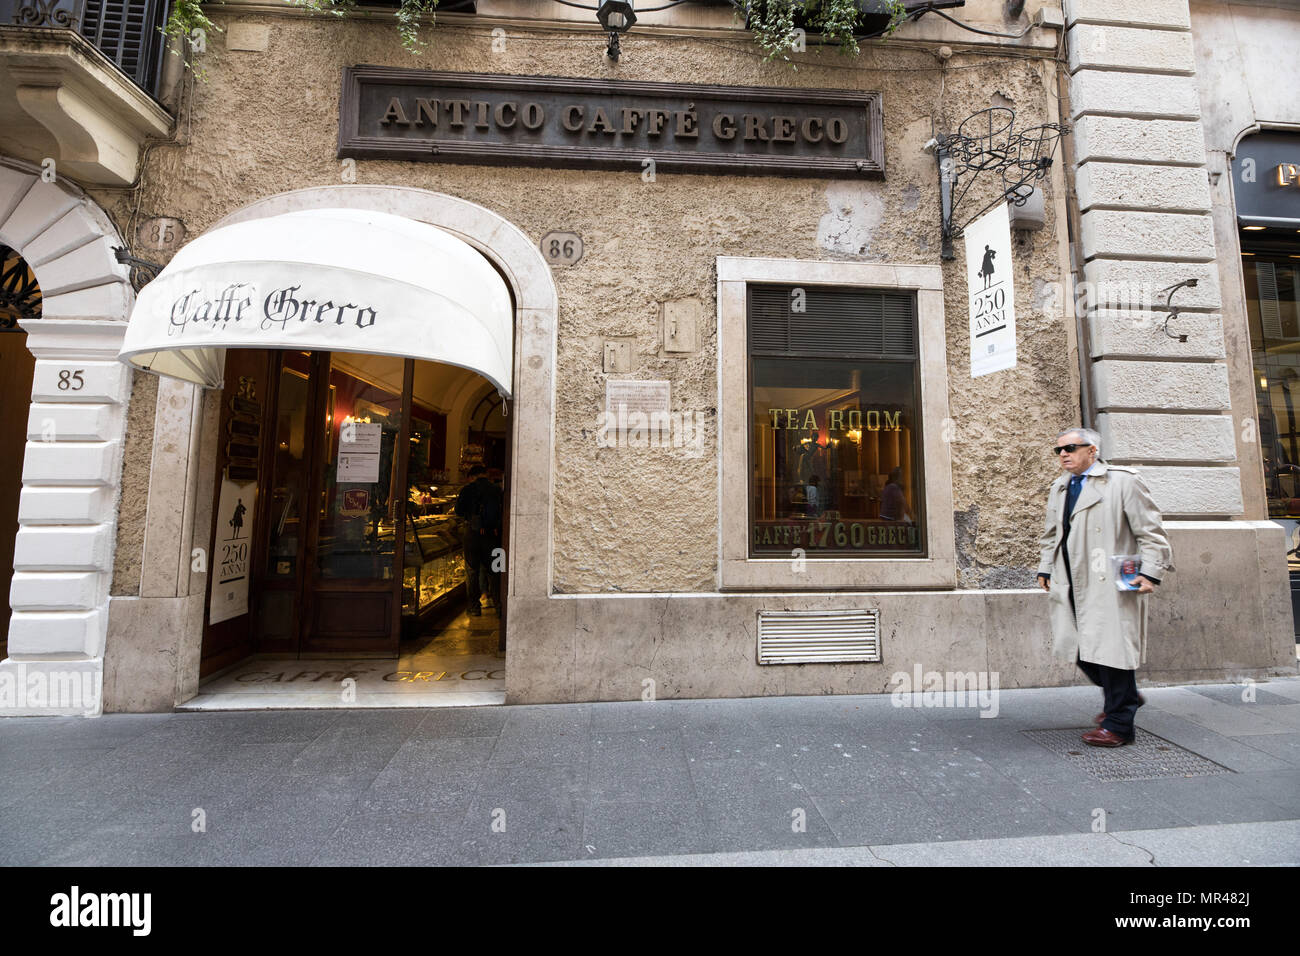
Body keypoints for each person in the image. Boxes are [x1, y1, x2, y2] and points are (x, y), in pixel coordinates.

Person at [1037, 427, 1173, 747]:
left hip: (1108, 580)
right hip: (1070, 579)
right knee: (1080, 649)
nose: (1063, 455)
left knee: (1112, 650)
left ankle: (1119, 725)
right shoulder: (1060, 486)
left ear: (1093, 451)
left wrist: (1152, 572)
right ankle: (1125, 695)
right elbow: (1051, 535)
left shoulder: (1123, 481)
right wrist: (1045, 568)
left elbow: (1150, 531)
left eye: (1071, 448)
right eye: (1059, 450)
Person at [454, 465, 503, 616]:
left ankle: (474, 607)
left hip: (472, 534)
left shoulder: (467, 489)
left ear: (472, 476)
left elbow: (458, 511)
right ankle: (499, 607)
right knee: (495, 571)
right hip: (492, 535)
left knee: (472, 571)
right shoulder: (497, 490)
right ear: (485, 474)